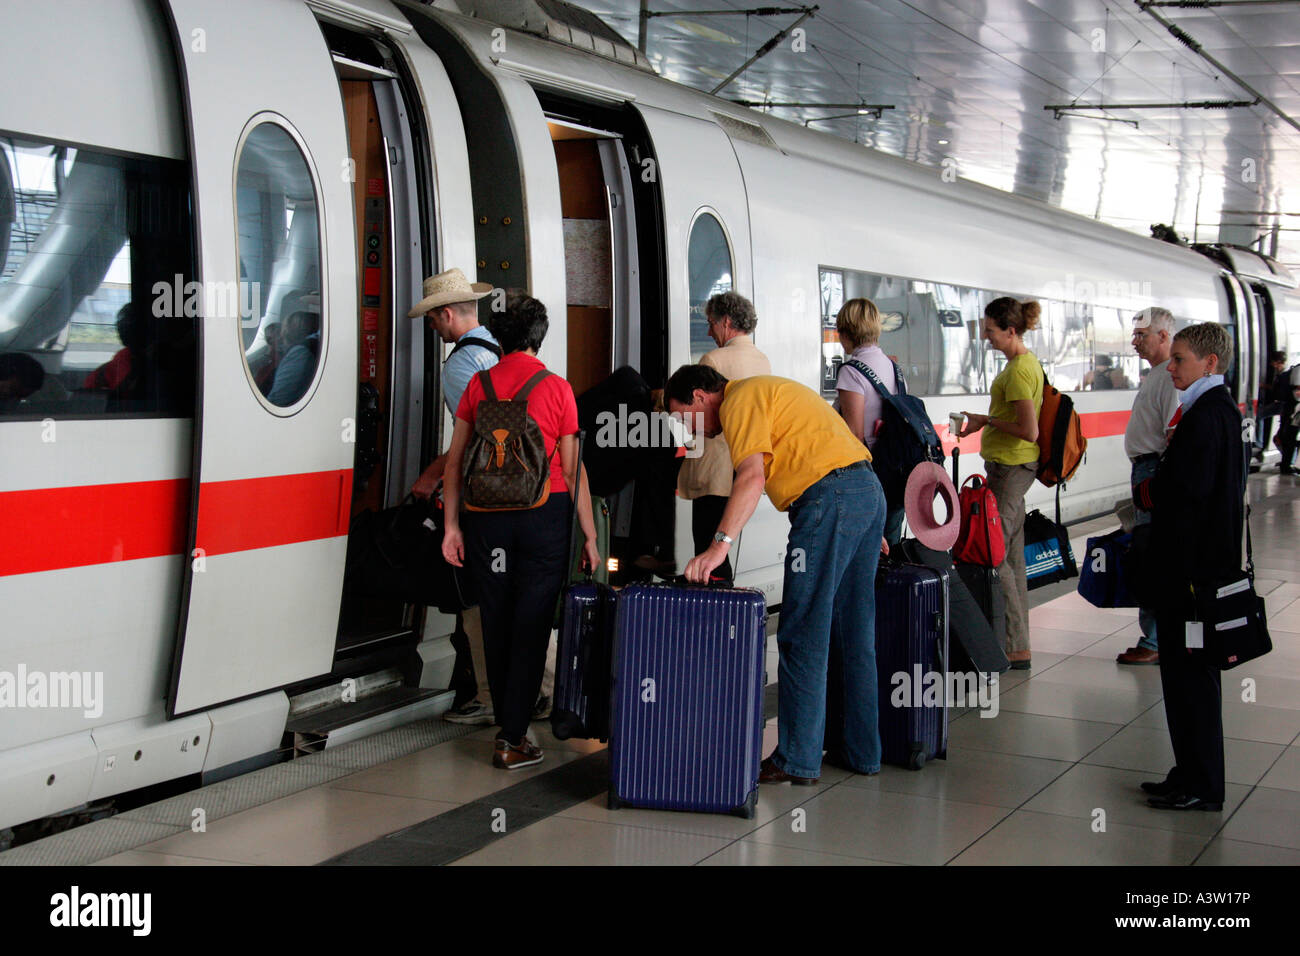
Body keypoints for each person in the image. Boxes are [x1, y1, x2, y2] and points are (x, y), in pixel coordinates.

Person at [665, 366, 887, 784]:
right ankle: (861, 752)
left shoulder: (739, 399)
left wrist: (718, 546)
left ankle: (797, 760)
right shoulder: (769, 389)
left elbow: (751, 475)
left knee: (803, 630)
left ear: (699, 396)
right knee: (854, 632)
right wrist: (861, 524)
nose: (688, 430)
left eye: (682, 418)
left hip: (828, 499)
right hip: (866, 492)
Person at [441, 293, 599, 770]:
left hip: (486, 517)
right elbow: (573, 473)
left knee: (496, 616)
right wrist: (589, 536)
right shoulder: (557, 388)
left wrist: (451, 526)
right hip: (543, 516)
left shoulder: (479, 384)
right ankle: (512, 736)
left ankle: (508, 724)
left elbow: (455, 463)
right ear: (539, 336)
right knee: (531, 621)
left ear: (499, 336)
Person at [1132, 322, 1243, 812]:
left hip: (1192, 579)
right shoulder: (1213, 410)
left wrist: (1149, 493)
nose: (1170, 367)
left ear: (1209, 363)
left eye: (1178, 359)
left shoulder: (1205, 416)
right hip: (1195, 573)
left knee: (1191, 677)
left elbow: (1187, 496)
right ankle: (1188, 772)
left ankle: (1202, 784)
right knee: (1183, 675)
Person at [406, 268, 501, 725]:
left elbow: (475, 437)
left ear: (446, 314)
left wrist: (432, 479)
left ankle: (487, 696)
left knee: (475, 599)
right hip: (516, 496)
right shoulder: (498, 351)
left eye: (432, 319)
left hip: (484, 494)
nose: (432, 328)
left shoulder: (462, 364)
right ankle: (537, 688)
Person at [959, 297, 1043, 670]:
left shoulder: (1018, 372)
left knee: (997, 556)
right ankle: (1017, 640)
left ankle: (1015, 646)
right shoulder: (1023, 364)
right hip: (1011, 469)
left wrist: (987, 421)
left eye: (991, 331)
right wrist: (986, 419)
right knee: (1010, 556)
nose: (986, 338)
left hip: (1009, 470)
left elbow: (1028, 429)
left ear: (1010, 330)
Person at [675, 292, 770, 580]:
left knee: (708, 552)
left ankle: (716, 613)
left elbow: (699, 413)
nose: (709, 331)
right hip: (744, 467)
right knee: (720, 549)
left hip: (713, 474)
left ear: (727, 322)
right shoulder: (761, 360)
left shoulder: (713, 359)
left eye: (711, 323)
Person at [1117, 307, 1180, 666]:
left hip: (1153, 470)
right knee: (1147, 548)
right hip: (1146, 468)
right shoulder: (1158, 374)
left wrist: (1157, 480)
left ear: (1163, 336)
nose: (1135, 341)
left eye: (1142, 335)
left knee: (1150, 550)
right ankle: (1155, 636)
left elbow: (1172, 436)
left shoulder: (1169, 378)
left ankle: (1155, 639)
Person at [833, 296, 904, 545]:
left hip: (872, 475)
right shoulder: (894, 367)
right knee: (890, 550)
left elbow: (855, 435)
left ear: (845, 332)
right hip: (897, 469)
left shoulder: (852, 371)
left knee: (866, 554)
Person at [266, 310, 320, 406]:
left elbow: (278, 398)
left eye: (284, 328)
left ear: (292, 331)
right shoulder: (310, 347)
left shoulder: (299, 353)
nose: (281, 335)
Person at [1273, 353, 1300, 475]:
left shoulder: (1296, 370)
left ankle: (1288, 463)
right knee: (1290, 438)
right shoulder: (1298, 371)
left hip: (1293, 410)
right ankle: (1287, 465)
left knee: (1290, 437)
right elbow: (1297, 393)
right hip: (1294, 411)